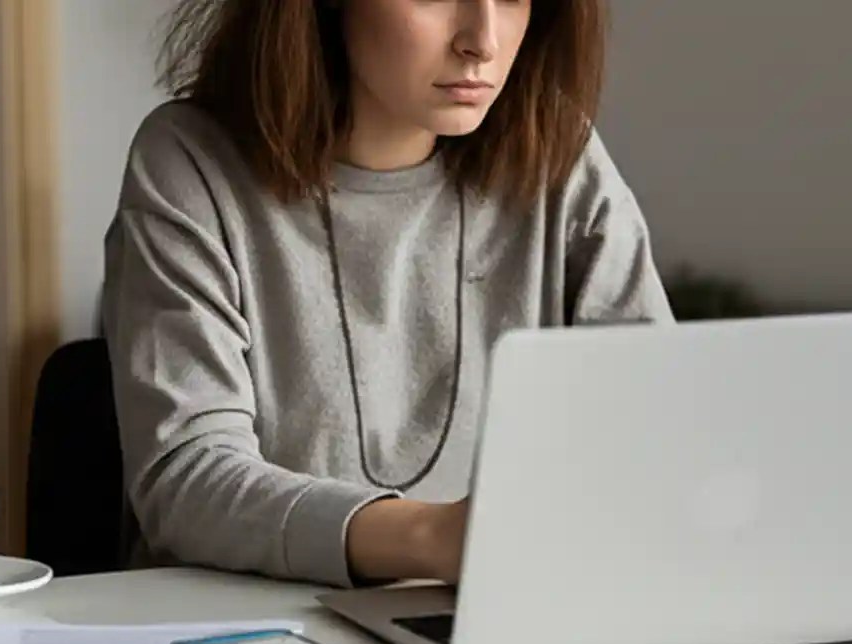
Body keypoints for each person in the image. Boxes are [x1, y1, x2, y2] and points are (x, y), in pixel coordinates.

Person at [101, 0, 674, 591]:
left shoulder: (556, 152)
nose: (483, 41)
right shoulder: (190, 162)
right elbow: (187, 480)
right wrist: (434, 539)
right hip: (246, 630)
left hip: (500, 617)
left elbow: (661, 425)